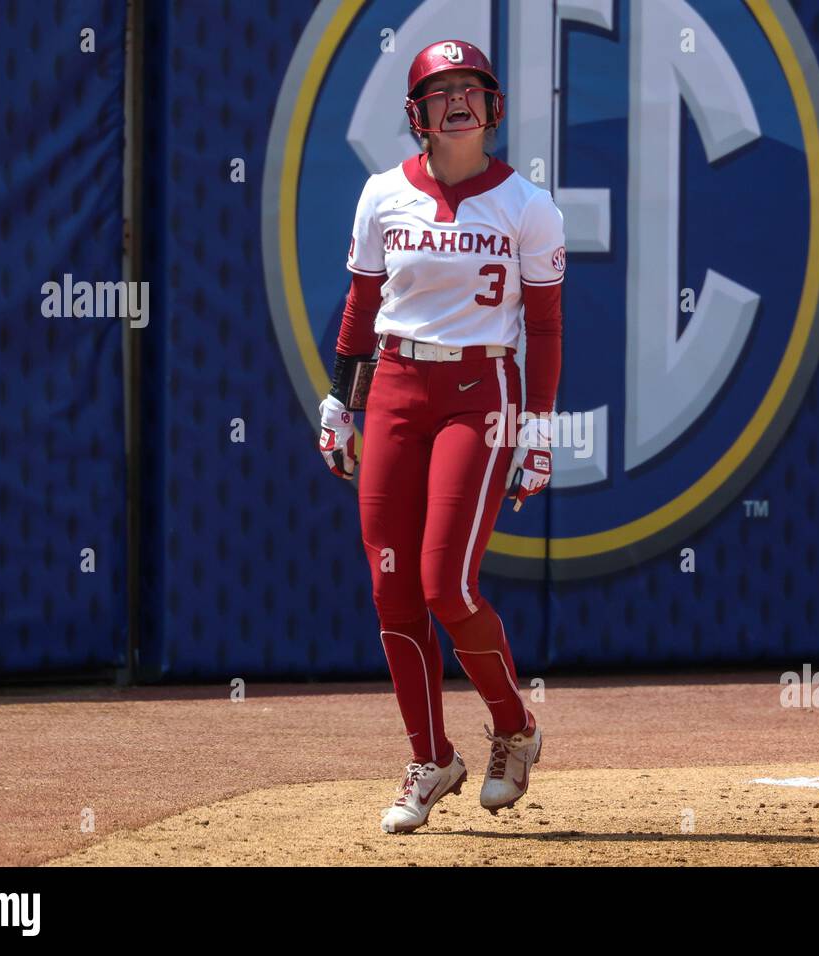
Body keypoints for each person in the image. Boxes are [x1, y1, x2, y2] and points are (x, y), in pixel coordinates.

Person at [317, 40, 565, 834]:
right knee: (391, 590)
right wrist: (339, 401)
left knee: (444, 587)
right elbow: (361, 307)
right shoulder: (383, 193)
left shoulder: (529, 205)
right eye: (439, 89)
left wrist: (537, 430)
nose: (457, 100)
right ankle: (432, 758)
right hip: (393, 383)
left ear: (493, 107)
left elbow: (547, 331)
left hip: (478, 389)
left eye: (471, 87)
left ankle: (515, 729)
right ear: (416, 115)